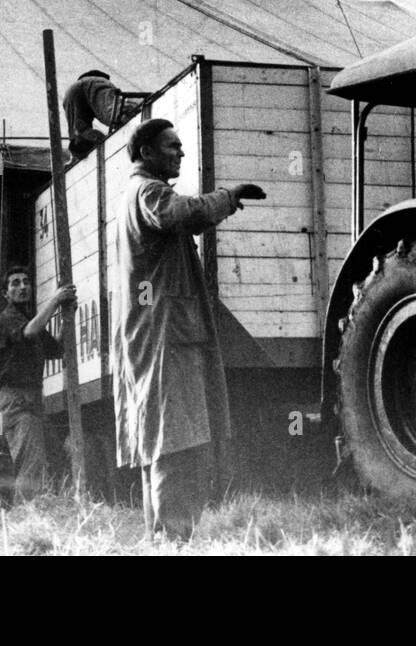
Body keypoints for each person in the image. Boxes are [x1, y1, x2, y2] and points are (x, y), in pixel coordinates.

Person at [111, 116, 266, 541]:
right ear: (145, 153)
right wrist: (228, 197)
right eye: (170, 146)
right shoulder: (148, 191)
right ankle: (174, 539)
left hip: (163, 334)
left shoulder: (137, 192)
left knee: (166, 441)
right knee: (177, 442)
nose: (180, 152)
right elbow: (182, 215)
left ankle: (162, 537)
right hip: (166, 337)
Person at [0, 264, 76, 500]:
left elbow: (56, 349)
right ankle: (25, 518)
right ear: (6, 293)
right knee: (31, 466)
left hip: (30, 401)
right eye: (15, 283)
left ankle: (37, 509)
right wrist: (56, 300)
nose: (23, 286)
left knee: (52, 456)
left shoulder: (28, 318)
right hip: (16, 402)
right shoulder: (8, 318)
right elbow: (28, 332)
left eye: (26, 281)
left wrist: (69, 316)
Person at [63, 68, 123, 161]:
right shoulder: (97, 80)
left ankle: (80, 152)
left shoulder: (77, 85)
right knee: (117, 114)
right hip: (97, 83)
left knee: (80, 131)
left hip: (71, 91)